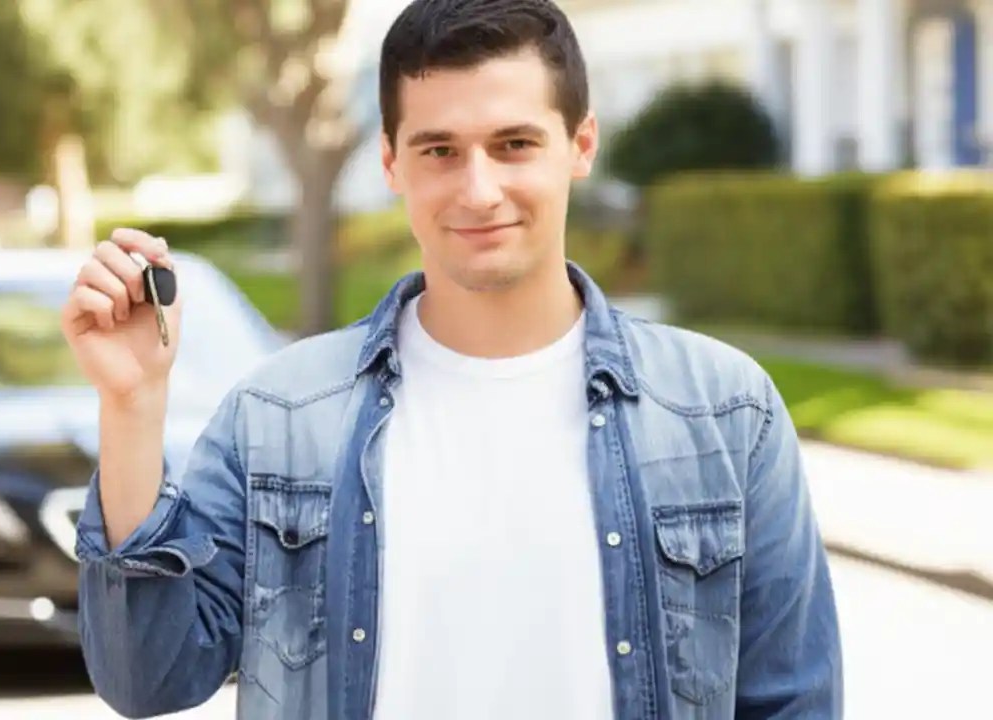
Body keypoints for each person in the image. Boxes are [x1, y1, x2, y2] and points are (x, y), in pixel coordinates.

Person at [61, 0, 843, 718]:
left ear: (580, 145)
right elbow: (147, 679)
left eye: (513, 145)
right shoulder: (276, 418)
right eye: (440, 149)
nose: (478, 189)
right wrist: (132, 406)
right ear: (392, 163)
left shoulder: (727, 412)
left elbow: (794, 703)